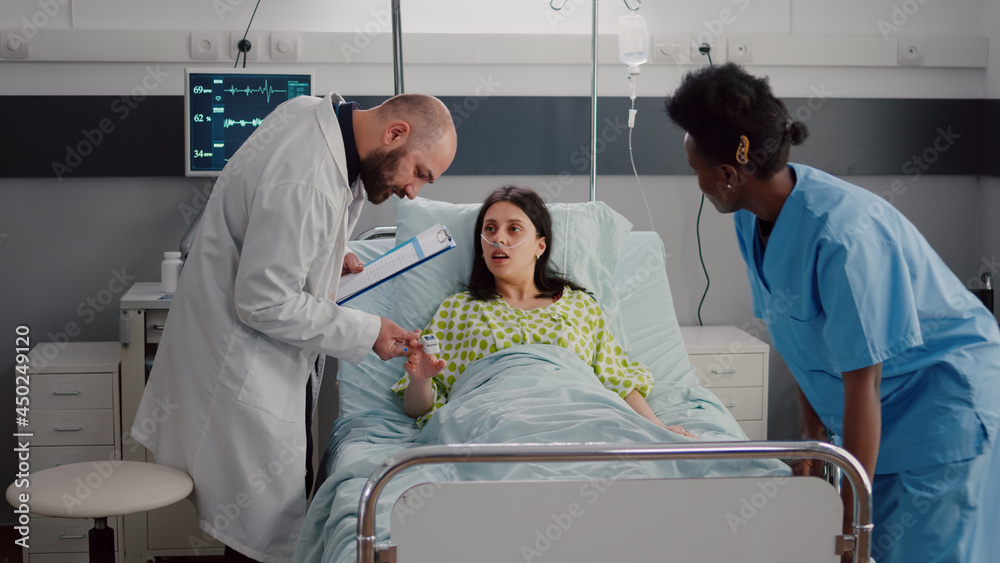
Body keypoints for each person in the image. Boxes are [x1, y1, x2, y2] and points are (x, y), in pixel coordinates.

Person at [665, 62, 1000, 563]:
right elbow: (799, 339)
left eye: (697, 170)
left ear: (730, 175)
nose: (697, 182)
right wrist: (814, 440)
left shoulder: (844, 236)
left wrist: (849, 518)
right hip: (876, 412)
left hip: (940, 408)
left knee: (914, 548)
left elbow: (863, 378)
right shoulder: (753, 218)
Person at [131, 92, 457, 563]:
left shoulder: (308, 113)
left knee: (258, 529)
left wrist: (328, 255)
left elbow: (281, 229)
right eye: (420, 173)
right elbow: (264, 300)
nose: (414, 191)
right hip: (242, 366)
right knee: (258, 539)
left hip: (239, 354)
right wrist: (369, 332)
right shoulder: (310, 181)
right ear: (396, 133)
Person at [391, 185, 696, 438]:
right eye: (490, 229)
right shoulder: (457, 310)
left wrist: (658, 429)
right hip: (489, 424)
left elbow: (617, 381)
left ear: (540, 245)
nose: (499, 238)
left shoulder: (580, 307)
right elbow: (419, 409)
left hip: (581, 419)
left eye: (514, 229)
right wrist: (420, 380)